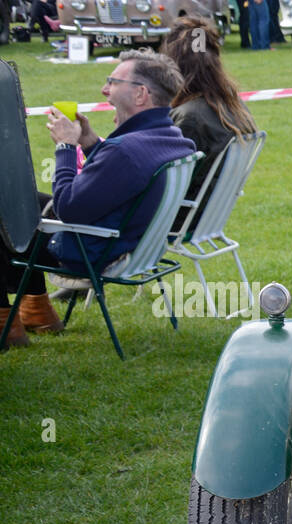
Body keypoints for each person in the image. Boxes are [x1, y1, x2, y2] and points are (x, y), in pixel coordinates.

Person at [1, 49, 195, 346]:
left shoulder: (126, 150)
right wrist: (91, 142)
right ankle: (37, 310)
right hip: (132, 243)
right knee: (22, 201)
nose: (104, 89)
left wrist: (66, 146)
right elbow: (121, 178)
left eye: (112, 82)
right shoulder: (172, 137)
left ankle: (7, 323)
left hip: (91, 250)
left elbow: (68, 209)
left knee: (8, 215)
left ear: (141, 94)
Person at [161, 16, 258, 228]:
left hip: (180, 218)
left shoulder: (189, 117)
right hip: (211, 214)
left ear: (172, 64)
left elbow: (164, 183)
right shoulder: (233, 106)